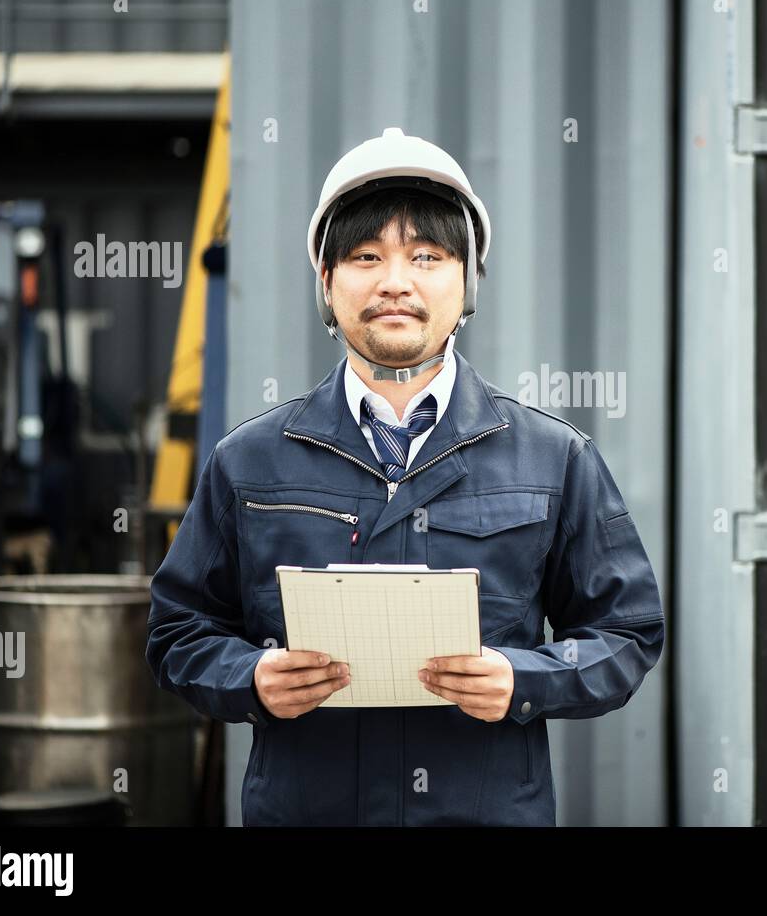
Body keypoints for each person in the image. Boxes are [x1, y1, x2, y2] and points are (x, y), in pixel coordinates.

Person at [145, 127, 665, 826]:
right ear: (327, 283)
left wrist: (524, 678)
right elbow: (178, 632)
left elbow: (627, 633)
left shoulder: (552, 457)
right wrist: (251, 679)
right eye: (365, 256)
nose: (395, 281)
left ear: (467, 280)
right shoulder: (249, 462)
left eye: (427, 256)